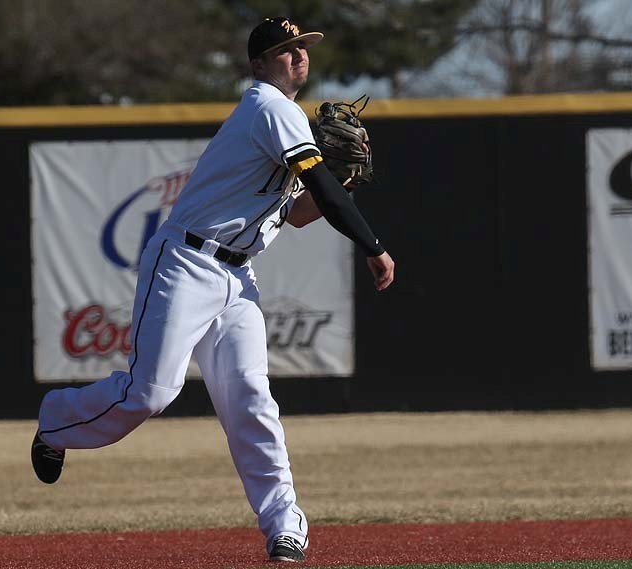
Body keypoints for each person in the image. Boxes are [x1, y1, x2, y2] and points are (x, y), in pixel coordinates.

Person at [31, 16, 395, 563]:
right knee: (149, 394)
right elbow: (316, 184)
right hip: (185, 263)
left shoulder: (283, 121)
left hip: (237, 276)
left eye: (302, 49)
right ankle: (57, 421)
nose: (297, 58)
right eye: (284, 51)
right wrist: (373, 245)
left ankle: (284, 525)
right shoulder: (271, 108)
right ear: (258, 64)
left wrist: (340, 182)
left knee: (251, 399)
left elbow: (296, 214)